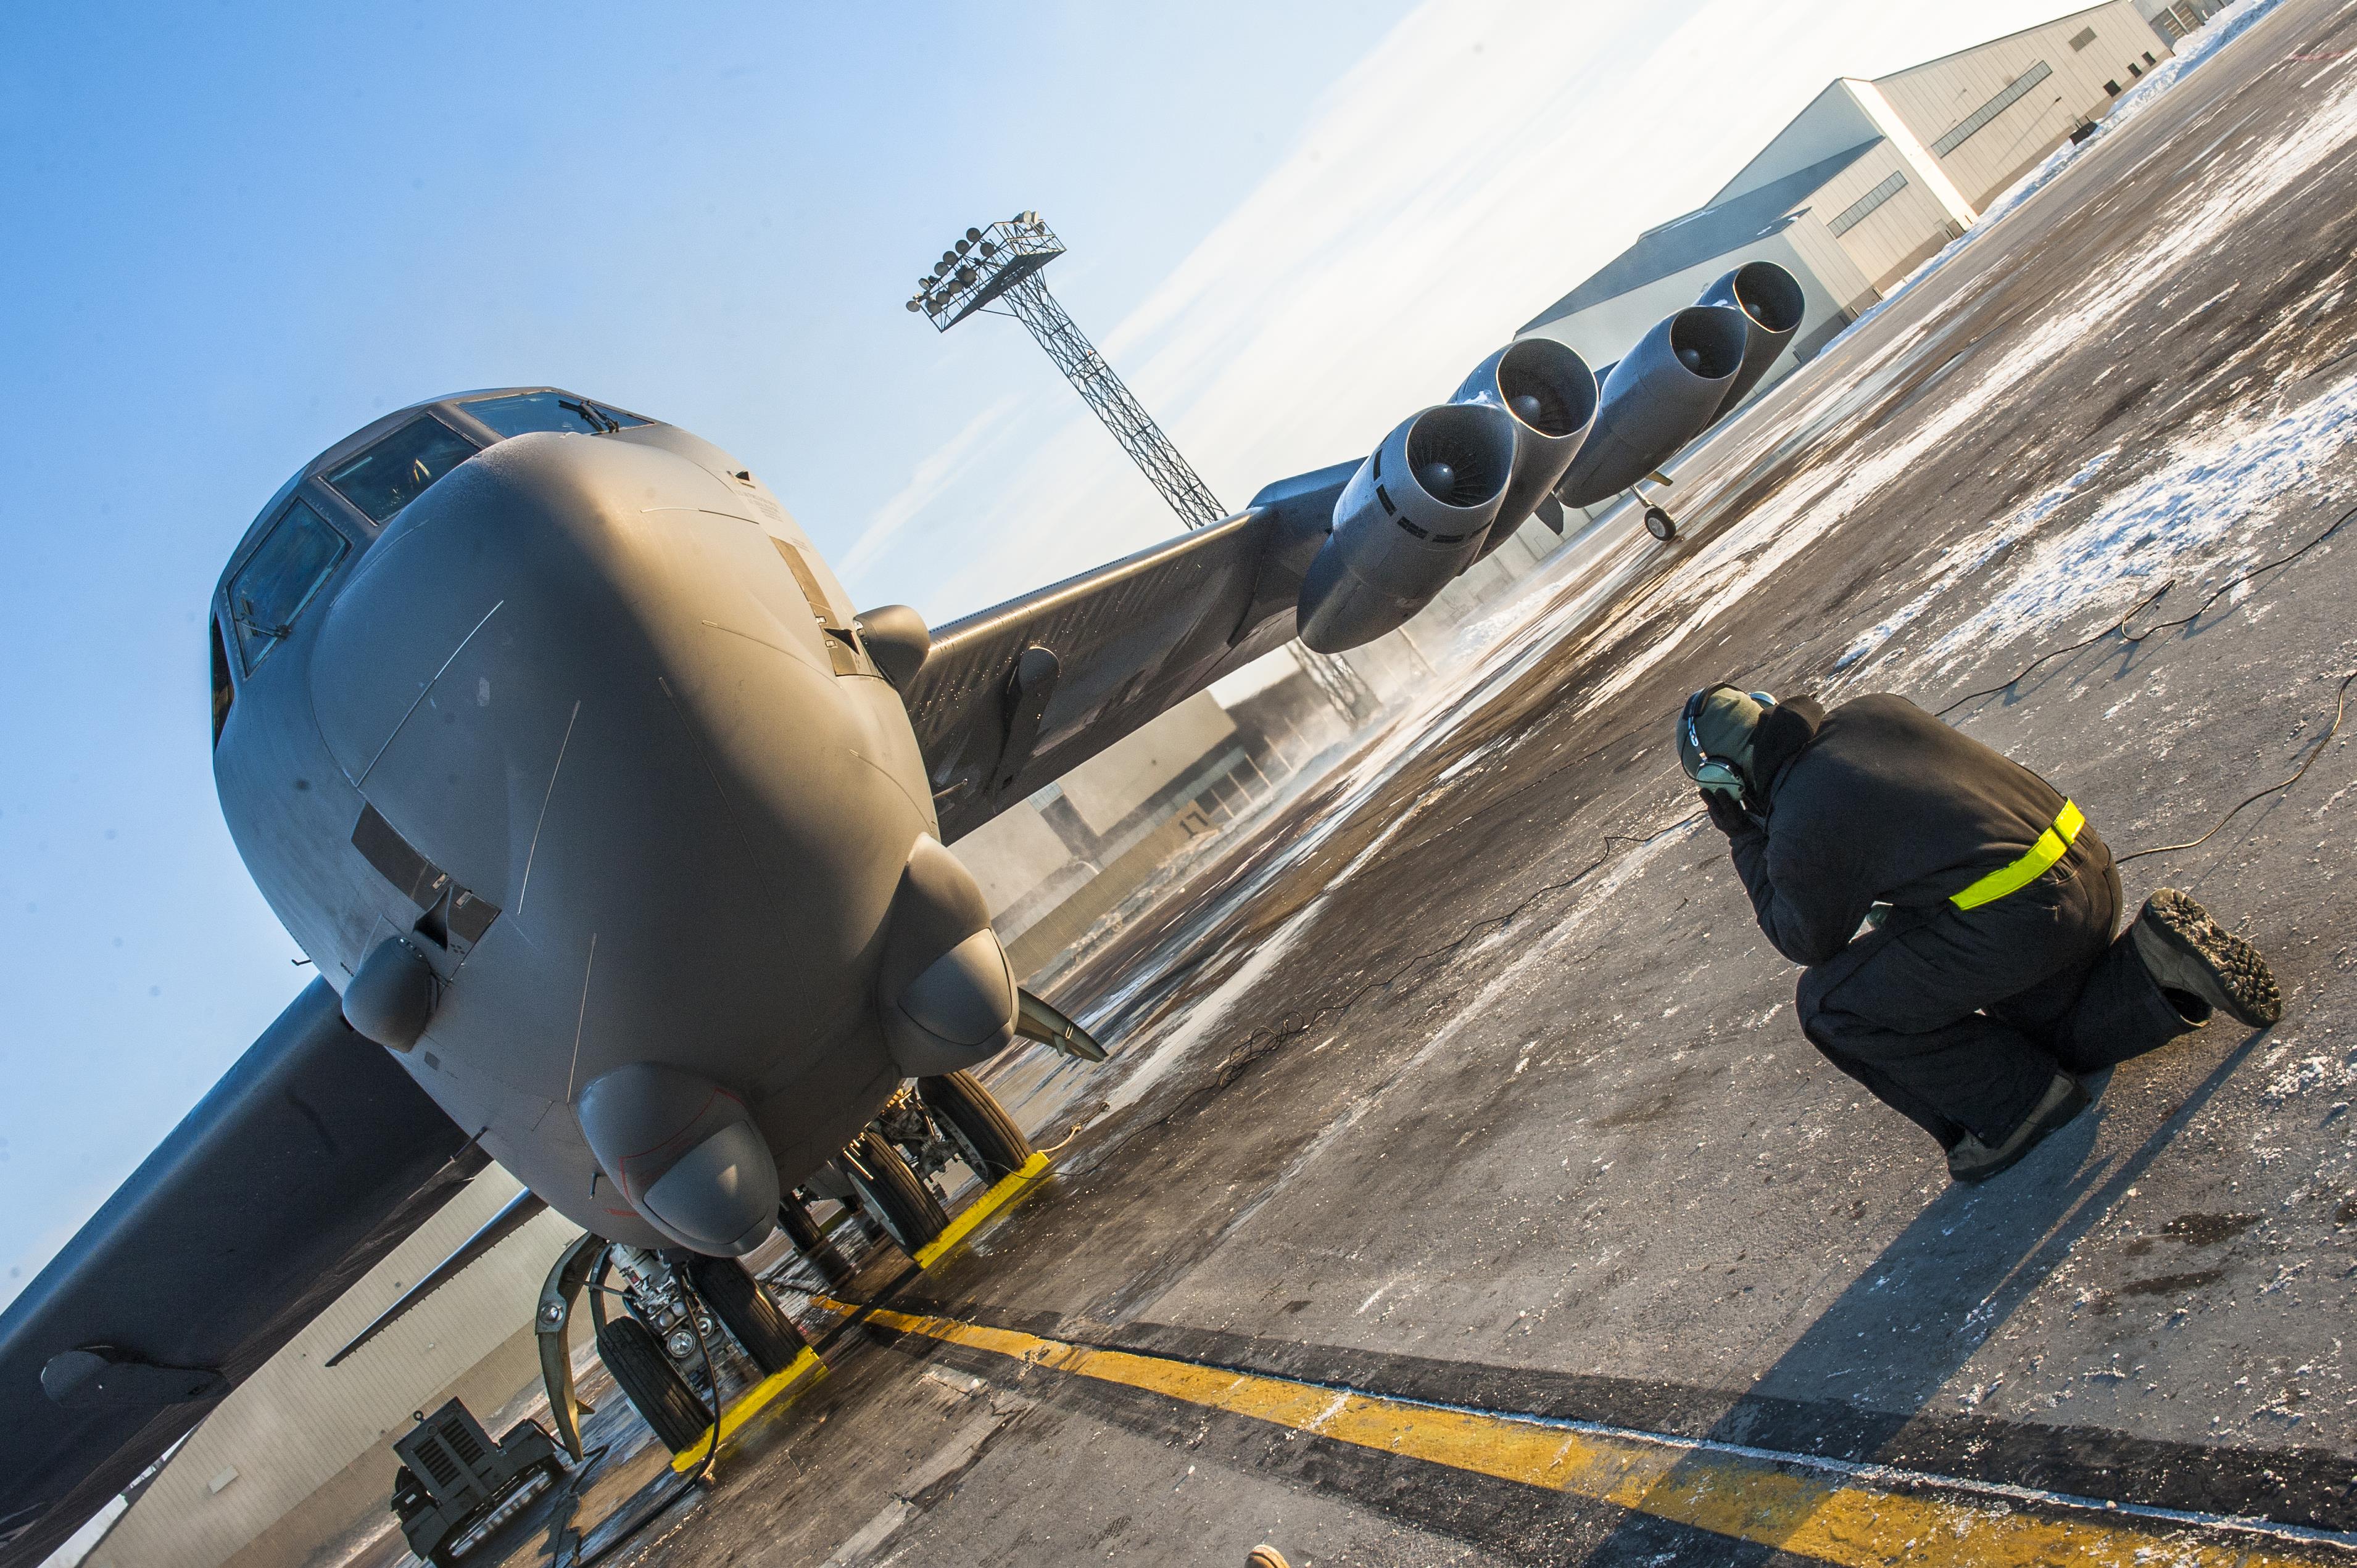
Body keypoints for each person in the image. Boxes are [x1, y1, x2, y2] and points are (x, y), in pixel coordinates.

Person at [1676, 684, 2280, 1182]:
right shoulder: (1871, 712)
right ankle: (2154, 964)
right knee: (2035, 1039)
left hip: (2025, 922)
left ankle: (2020, 1108)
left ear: (1725, 781)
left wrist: (1744, 837)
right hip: (2086, 873)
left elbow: (1803, 941)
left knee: (1827, 1004)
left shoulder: (1802, 818)